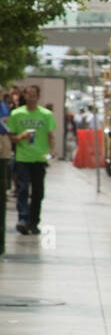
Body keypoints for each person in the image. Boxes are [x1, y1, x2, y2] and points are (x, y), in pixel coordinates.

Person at [10, 84, 56, 235]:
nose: (31, 97)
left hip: (39, 158)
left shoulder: (46, 114)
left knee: (38, 192)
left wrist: (51, 151)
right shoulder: (17, 114)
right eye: (28, 94)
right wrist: (21, 136)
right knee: (23, 189)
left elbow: (50, 135)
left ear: (38, 96)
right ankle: (23, 219)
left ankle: (34, 221)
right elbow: (12, 137)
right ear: (25, 96)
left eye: (34, 94)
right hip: (23, 158)